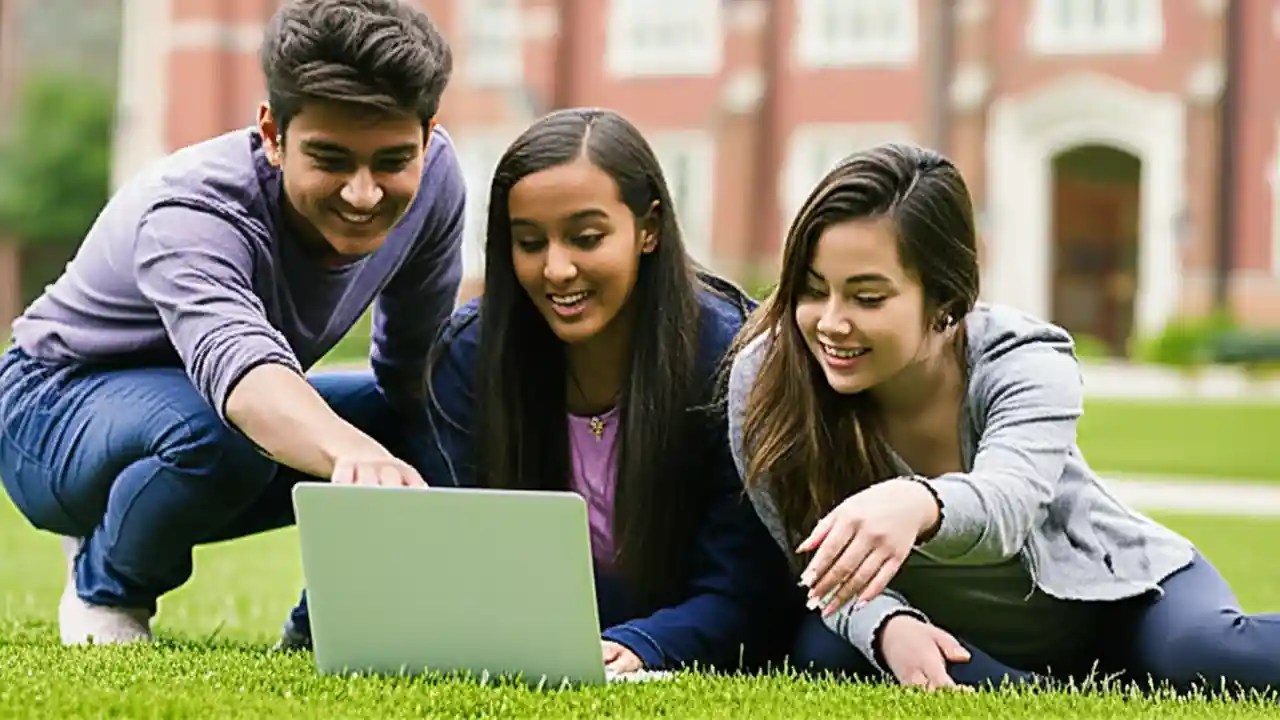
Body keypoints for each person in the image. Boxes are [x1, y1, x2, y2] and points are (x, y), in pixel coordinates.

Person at [724, 142, 1280, 695]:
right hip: (962, 636)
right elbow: (817, 563)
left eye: (868, 298)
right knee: (829, 653)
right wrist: (889, 625)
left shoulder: (1024, 358)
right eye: (813, 290)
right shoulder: (766, 381)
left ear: (946, 299)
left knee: (1206, 654)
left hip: (1120, 600)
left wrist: (917, 502)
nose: (831, 323)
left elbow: (1009, 504)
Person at [0, 0, 462, 648]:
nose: (364, 194)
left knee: (448, 406)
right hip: (51, 409)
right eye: (330, 159)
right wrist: (354, 452)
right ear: (273, 133)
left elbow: (416, 371)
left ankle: (330, 621)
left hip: (208, 407)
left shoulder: (438, 178)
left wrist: (442, 436)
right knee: (227, 434)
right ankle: (105, 588)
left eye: (391, 161)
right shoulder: (194, 208)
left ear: (427, 132)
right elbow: (244, 377)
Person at [418, 107, 794, 674]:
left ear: (650, 228)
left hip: (683, 633)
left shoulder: (731, 361)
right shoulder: (472, 357)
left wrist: (648, 642)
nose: (557, 270)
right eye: (529, 242)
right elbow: (453, 547)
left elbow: (747, 581)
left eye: (586, 237)